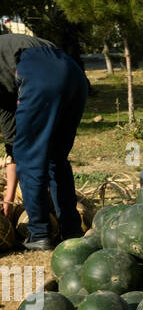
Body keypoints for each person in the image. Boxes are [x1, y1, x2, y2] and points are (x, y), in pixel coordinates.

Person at [0, 30, 90, 249]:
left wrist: (7, 200)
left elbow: (17, 149)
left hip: (39, 75)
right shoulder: (11, 44)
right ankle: (71, 229)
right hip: (74, 75)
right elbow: (13, 143)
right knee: (56, 158)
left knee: (30, 159)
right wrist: (9, 199)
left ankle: (39, 234)